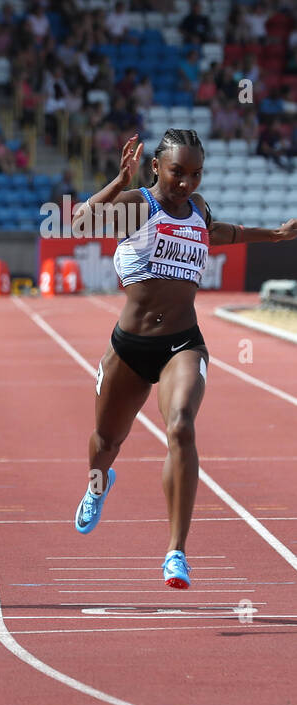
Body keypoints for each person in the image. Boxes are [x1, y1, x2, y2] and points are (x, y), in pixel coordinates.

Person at [72, 130, 297, 588]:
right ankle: (99, 483)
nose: (186, 183)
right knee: (105, 442)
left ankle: (176, 552)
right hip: (130, 348)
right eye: (178, 172)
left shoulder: (198, 209)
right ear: (157, 167)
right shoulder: (138, 204)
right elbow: (79, 221)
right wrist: (117, 182)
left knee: (181, 426)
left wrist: (275, 235)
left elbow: (222, 233)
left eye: (195, 174)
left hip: (182, 344)